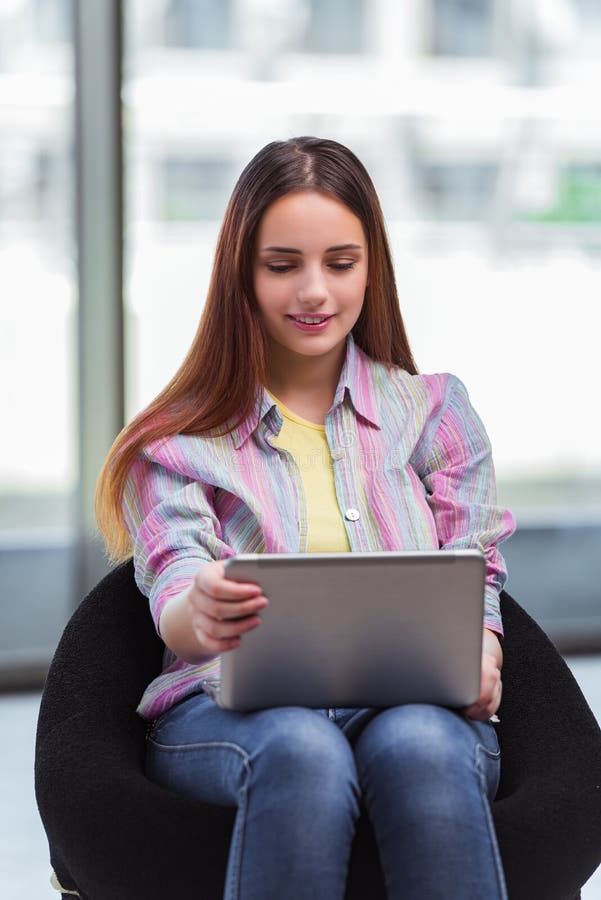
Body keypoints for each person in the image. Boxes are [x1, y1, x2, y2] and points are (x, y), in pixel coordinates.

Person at [96, 136, 516, 900]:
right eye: (282, 265)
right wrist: (203, 608)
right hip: (228, 715)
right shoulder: (176, 443)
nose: (314, 291)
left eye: (340, 263)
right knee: (300, 748)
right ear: (241, 275)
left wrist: (480, 651)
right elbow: (175, 589)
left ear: (371, 266)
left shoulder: (435, 415)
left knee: (422, 743)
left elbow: (476, 566)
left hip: (414, 706)